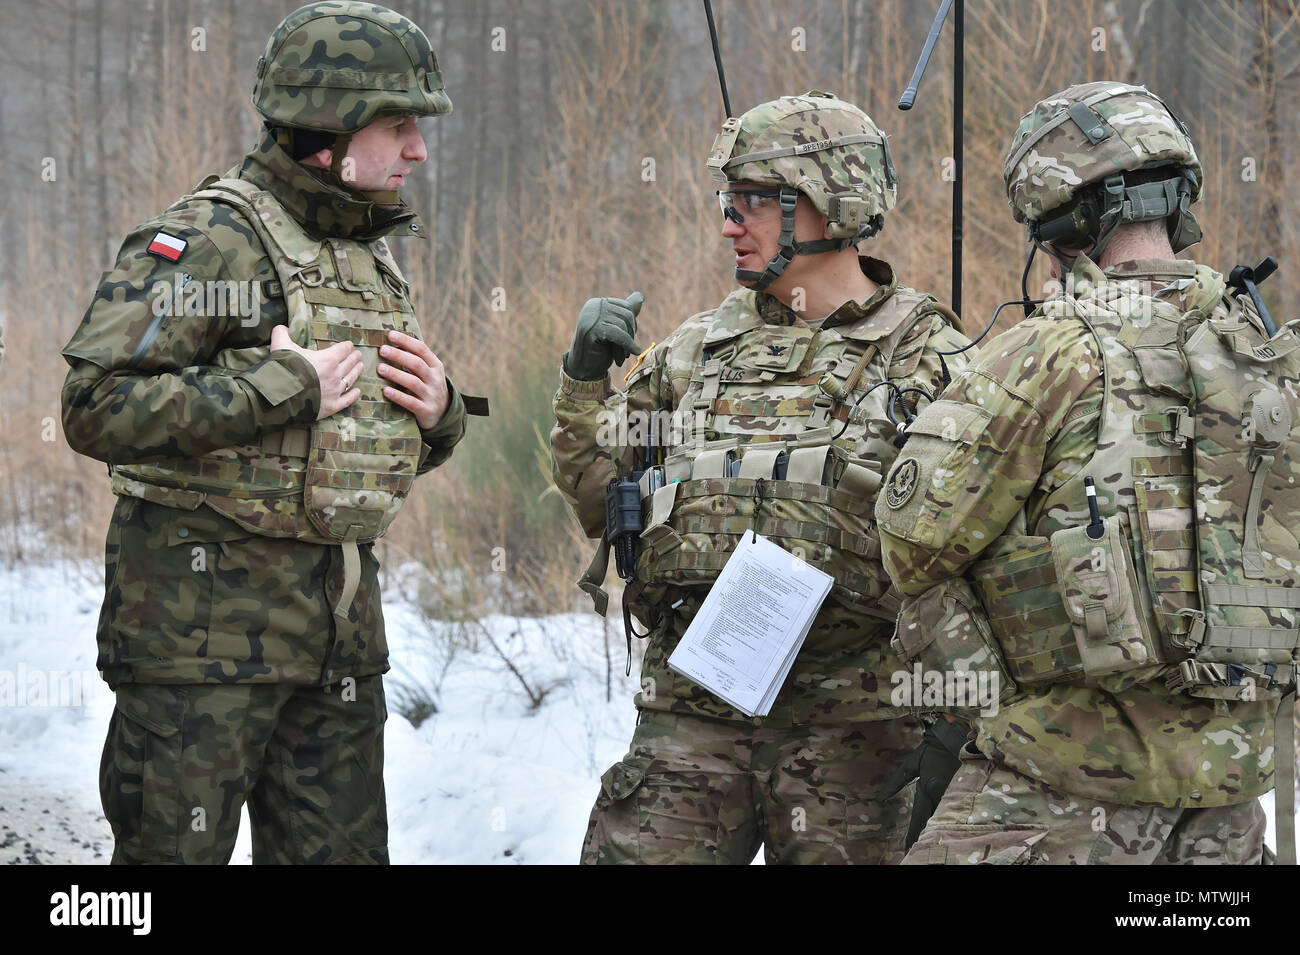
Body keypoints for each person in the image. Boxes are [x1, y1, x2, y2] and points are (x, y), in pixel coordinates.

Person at [60, 2, 485, 865]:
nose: (419, 149)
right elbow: (94, 403)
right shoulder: (206, 243)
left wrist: (442, 413)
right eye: (401, 124)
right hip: (198, 651)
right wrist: (273, 387)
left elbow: (360, 442)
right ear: (331, 127)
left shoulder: (368, 252)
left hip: (338, 647)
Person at [874, 81, 1295, 865]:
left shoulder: (1050, 351)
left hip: (1056, 795)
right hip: (1229, 808)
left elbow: (910, 547)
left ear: (1058, 219)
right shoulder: (1276, 354)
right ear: (1178, 199)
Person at [551, 91, 973, 864]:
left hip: (855, 725)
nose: (728, 222)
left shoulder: (929, 357)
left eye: (753, 201)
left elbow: (971, 551)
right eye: (726, 199)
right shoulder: (698, 347)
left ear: (830, 203)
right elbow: (593, 496)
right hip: (694, 708)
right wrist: (582, 382)